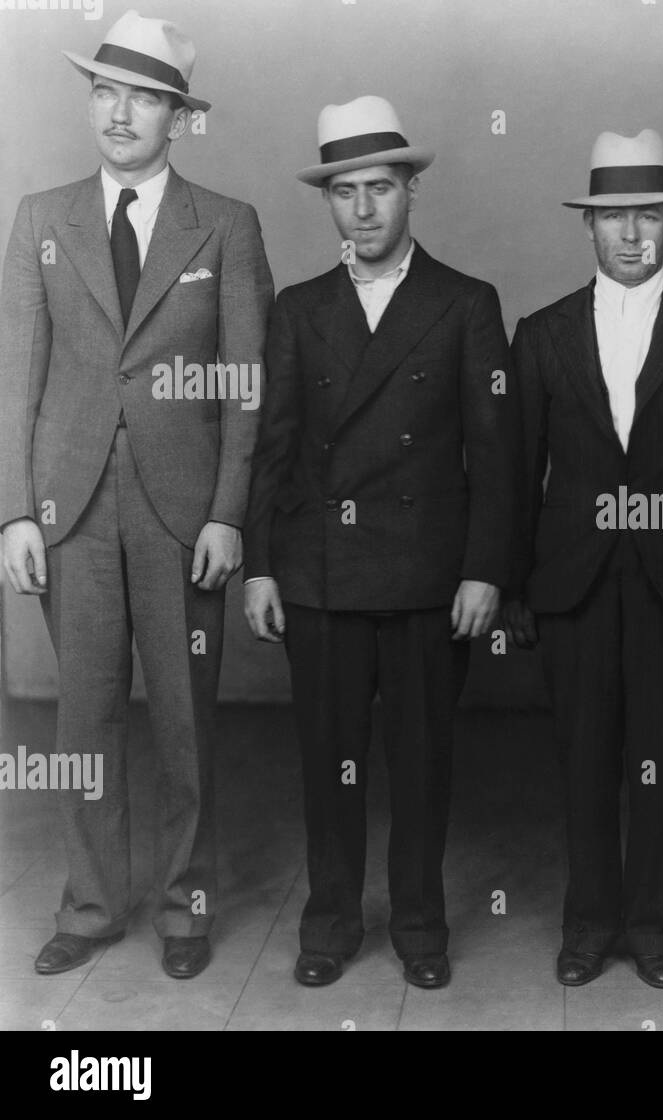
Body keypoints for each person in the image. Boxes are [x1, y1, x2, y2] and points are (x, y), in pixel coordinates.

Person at [0, 10, 273, 980]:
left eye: (145, 97)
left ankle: (185, 905)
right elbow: (15, 377)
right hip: (67, 514)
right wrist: (14, 512)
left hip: (180, 512)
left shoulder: (227, 224)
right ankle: (89, 904)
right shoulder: (41, 217)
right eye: (106, 91)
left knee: (185, 723)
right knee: (83, 722)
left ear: (177, 116)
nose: (121, 113)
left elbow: (246, 383)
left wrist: (228, 511)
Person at [243, 95, 519, 989]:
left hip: (427, 579)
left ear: (411, 193)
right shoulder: (297, 309)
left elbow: (495, 453)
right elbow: (271, 449)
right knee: (330, 767)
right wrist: (258, 566)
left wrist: (485, 570)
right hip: (321, 575)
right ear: (329, 202)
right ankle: (328, 926)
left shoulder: (467, 303)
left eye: (381, 189)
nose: (364, 210)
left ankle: (420, 926)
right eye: (346, 192)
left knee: (424, 765)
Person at [503, 129, 663, 989]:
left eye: (647, 214)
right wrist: (513, 590)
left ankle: (655, 926)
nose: (630, 233)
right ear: (588, 226)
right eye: (613, 216)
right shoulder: (539, 334)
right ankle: (588, 926)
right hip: (572, 581)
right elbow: (515, 474)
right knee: (584, 763)